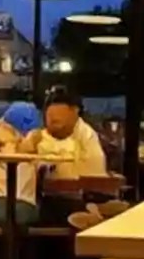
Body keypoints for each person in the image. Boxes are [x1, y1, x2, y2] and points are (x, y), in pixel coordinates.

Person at [20, 86, 108, 223]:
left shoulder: (87, 137)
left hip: (78, 198)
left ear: (75, 112)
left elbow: (95, 177)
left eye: (57, 119)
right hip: (40, 199)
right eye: (49, 117)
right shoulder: (36, 136)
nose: (52, 119)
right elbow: (22, 166)